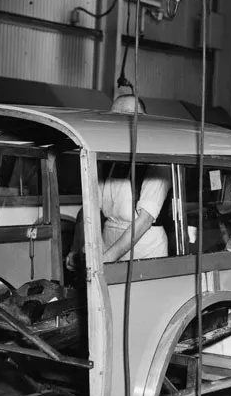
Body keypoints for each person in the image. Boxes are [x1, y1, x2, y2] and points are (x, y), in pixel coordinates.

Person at [65, 93, 171, 269]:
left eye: (129, 115)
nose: (121, 121)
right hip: (109, 244)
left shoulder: (157, 159)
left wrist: (106, 260)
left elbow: (144, 221)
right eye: (116, 116)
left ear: (144, 121)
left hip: (145, 250)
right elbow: (89, 209)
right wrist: (77, 246)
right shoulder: (107, 158)